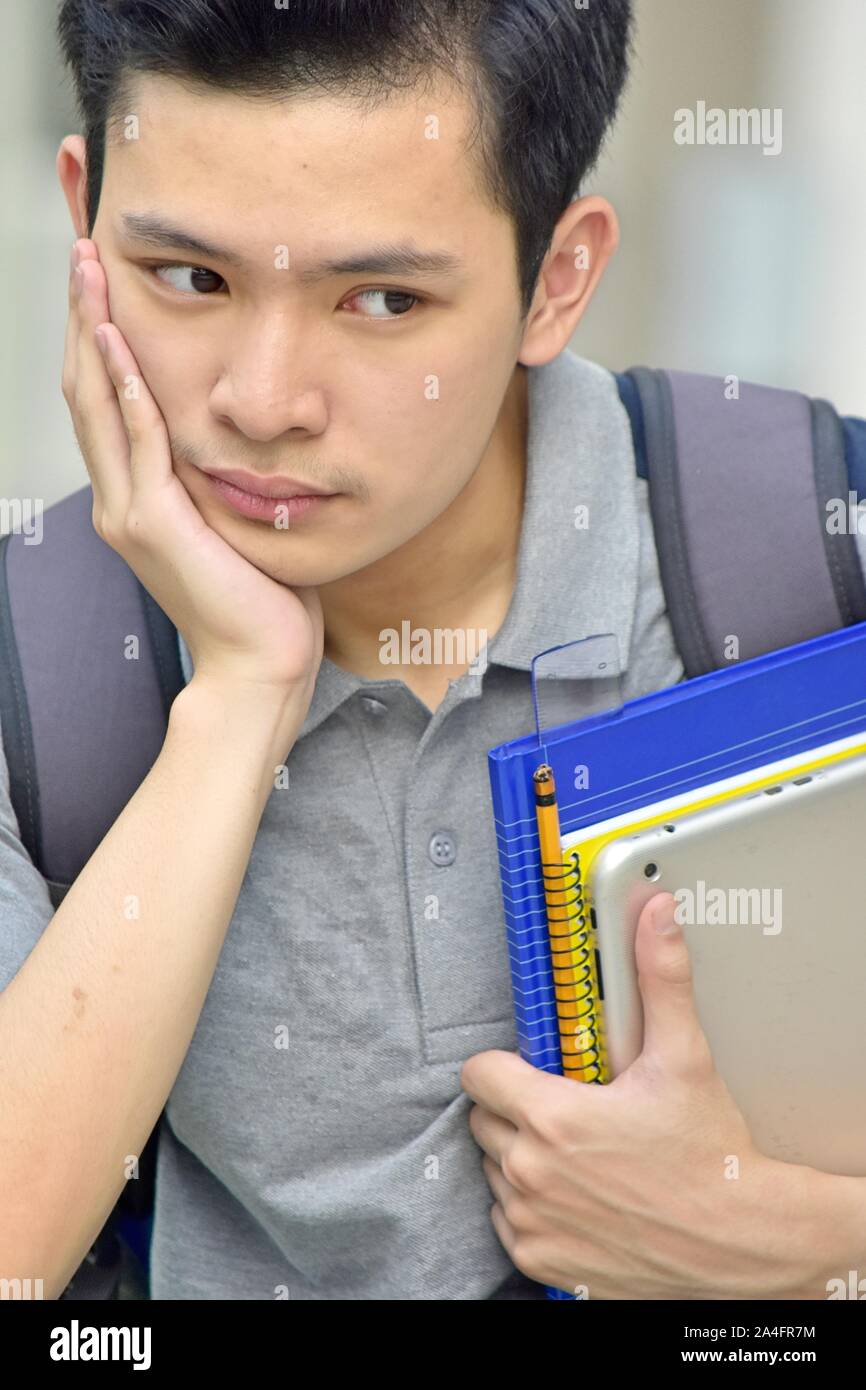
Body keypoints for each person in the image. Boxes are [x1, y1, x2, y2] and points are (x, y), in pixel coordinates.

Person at [1, 0, 864, 1301]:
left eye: (382, 298)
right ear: (85, 217)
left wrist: (805, 1247)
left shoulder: (810, 545)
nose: (263, 401)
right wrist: (240, 695)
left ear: (554, 279)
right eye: (190, 279)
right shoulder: (34, 660)